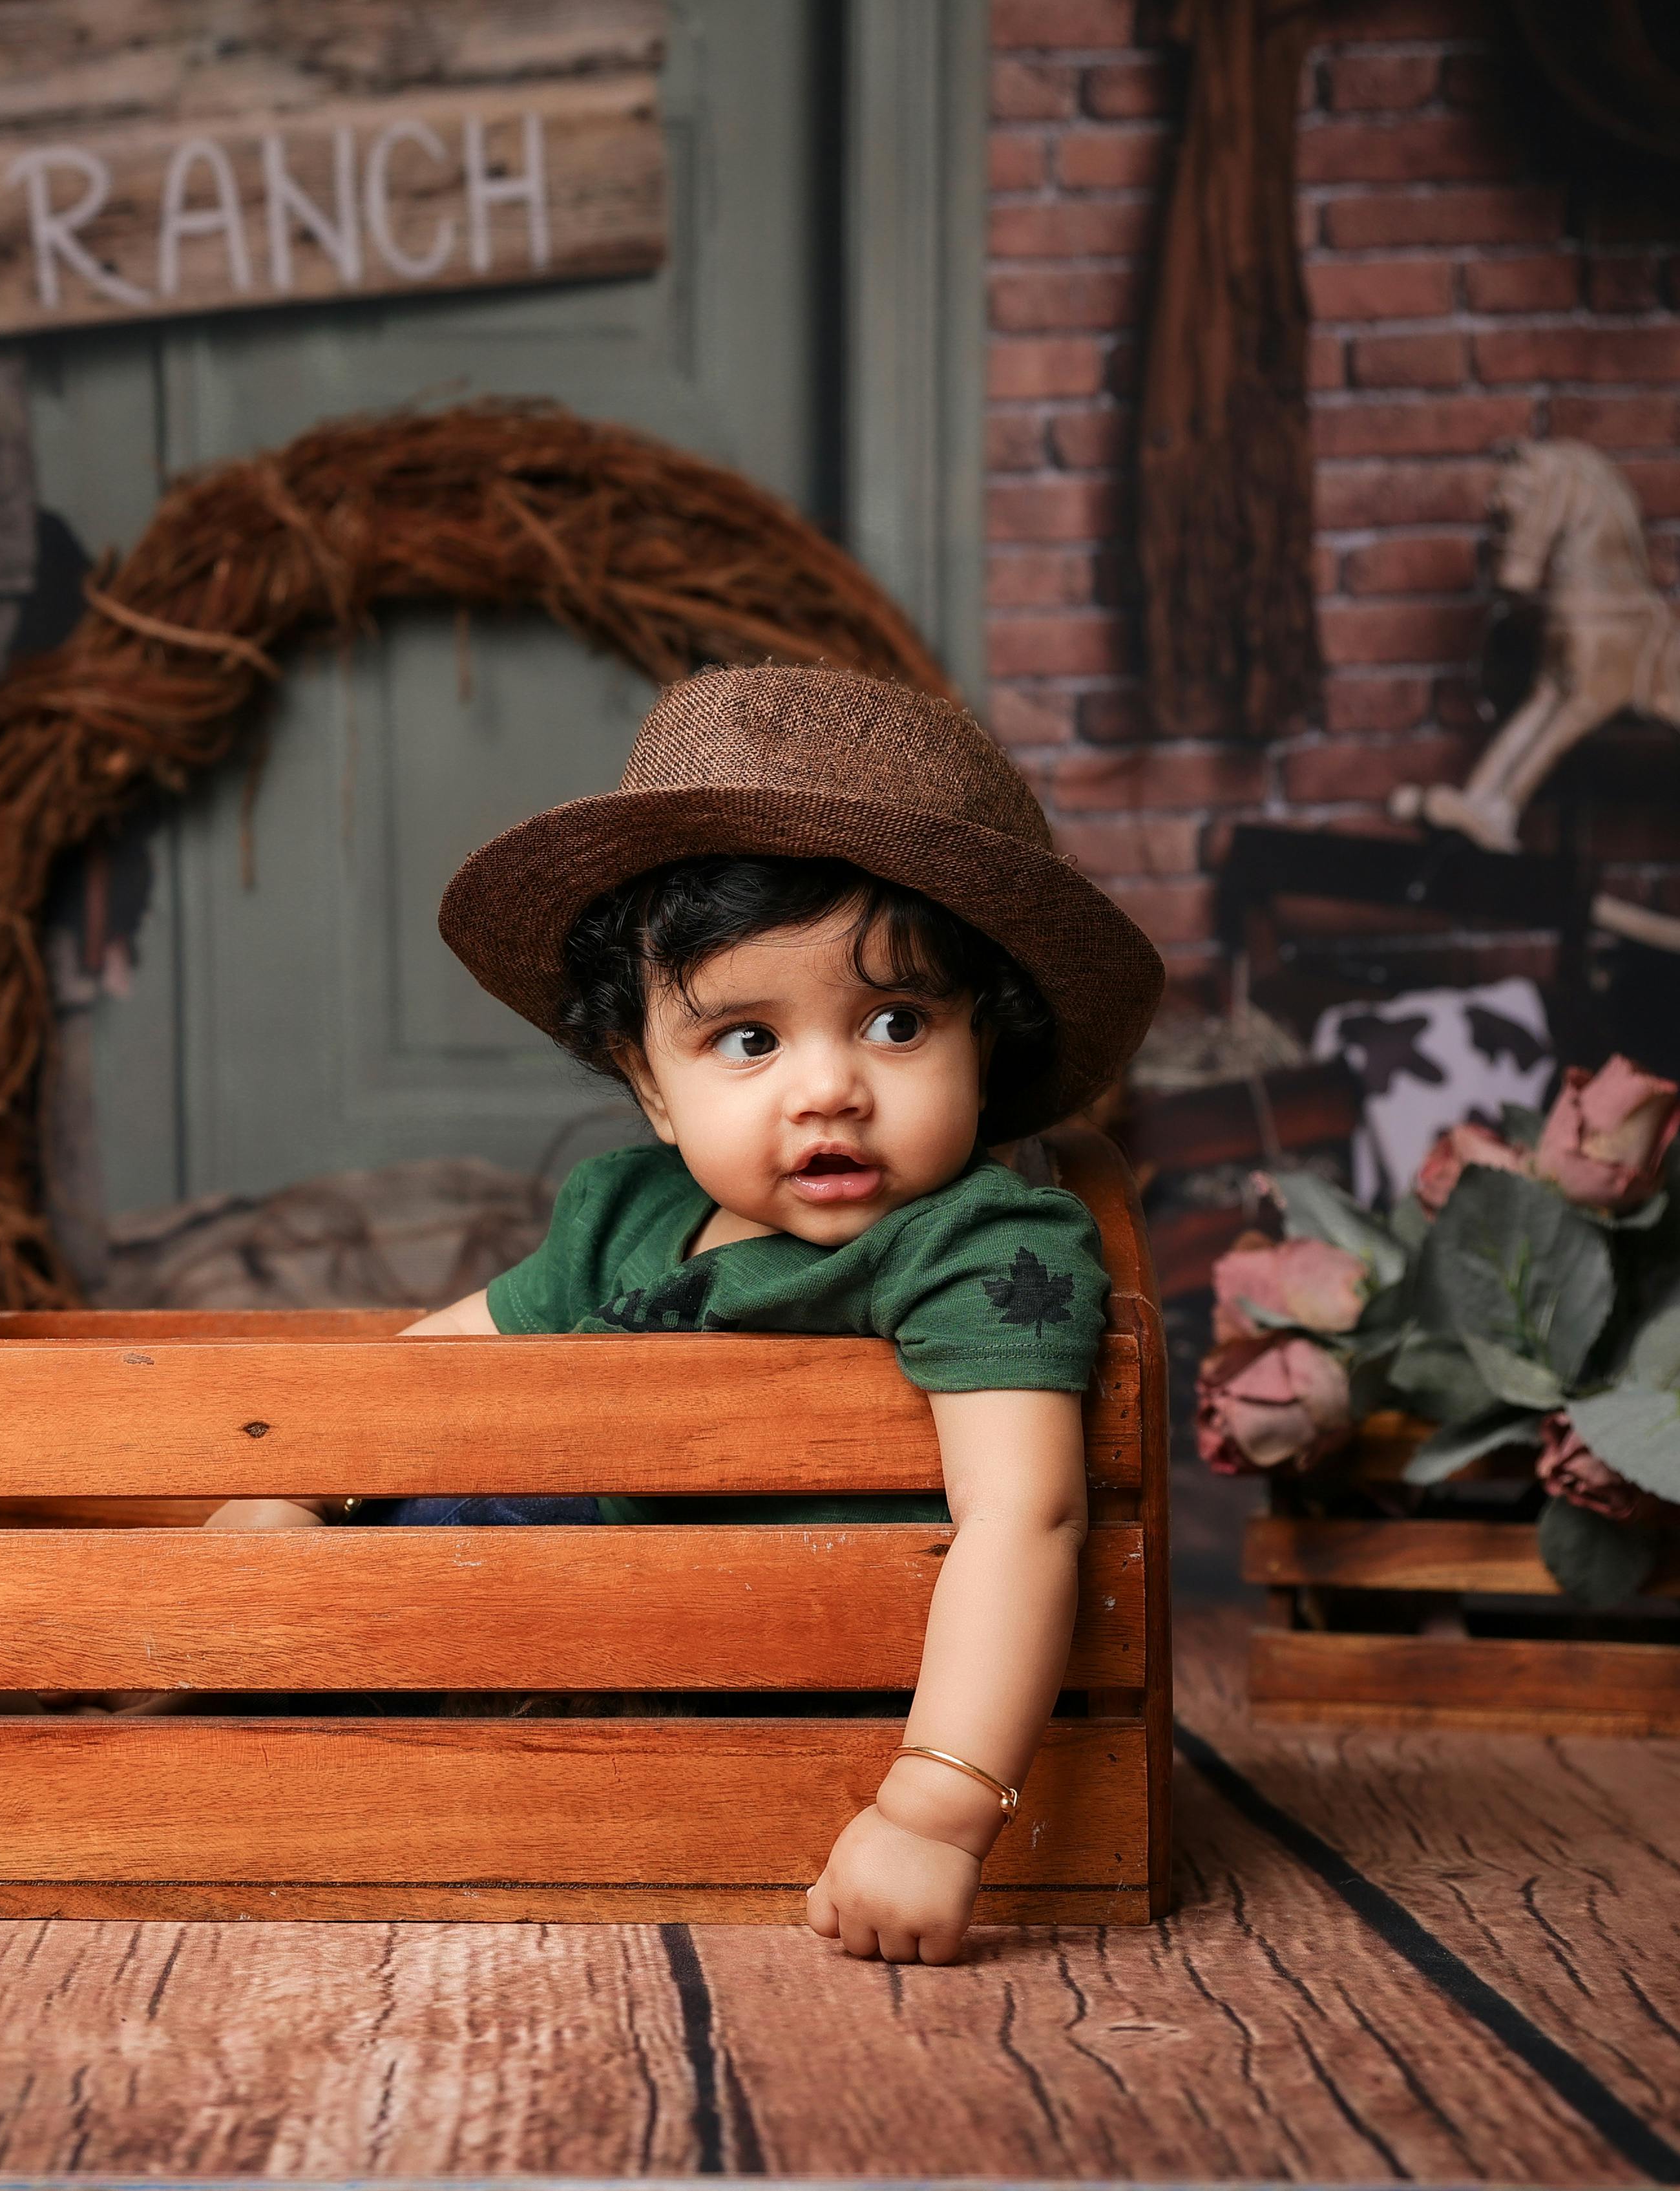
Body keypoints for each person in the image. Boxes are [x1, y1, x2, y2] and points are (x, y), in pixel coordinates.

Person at [208, 664, 1162, 1964]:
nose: (828, 1088)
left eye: (896, 1022)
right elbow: (438, 1373)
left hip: (787, 1700)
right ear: (651, 1088)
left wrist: (934, 1814)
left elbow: (1027, 1516)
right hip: (524, 1661)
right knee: (364, 1562)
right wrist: (302, 1483)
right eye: (748, 1041)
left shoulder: (980, 1248)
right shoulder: (621, 1218)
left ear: (982, 1051)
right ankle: (190, 1721)